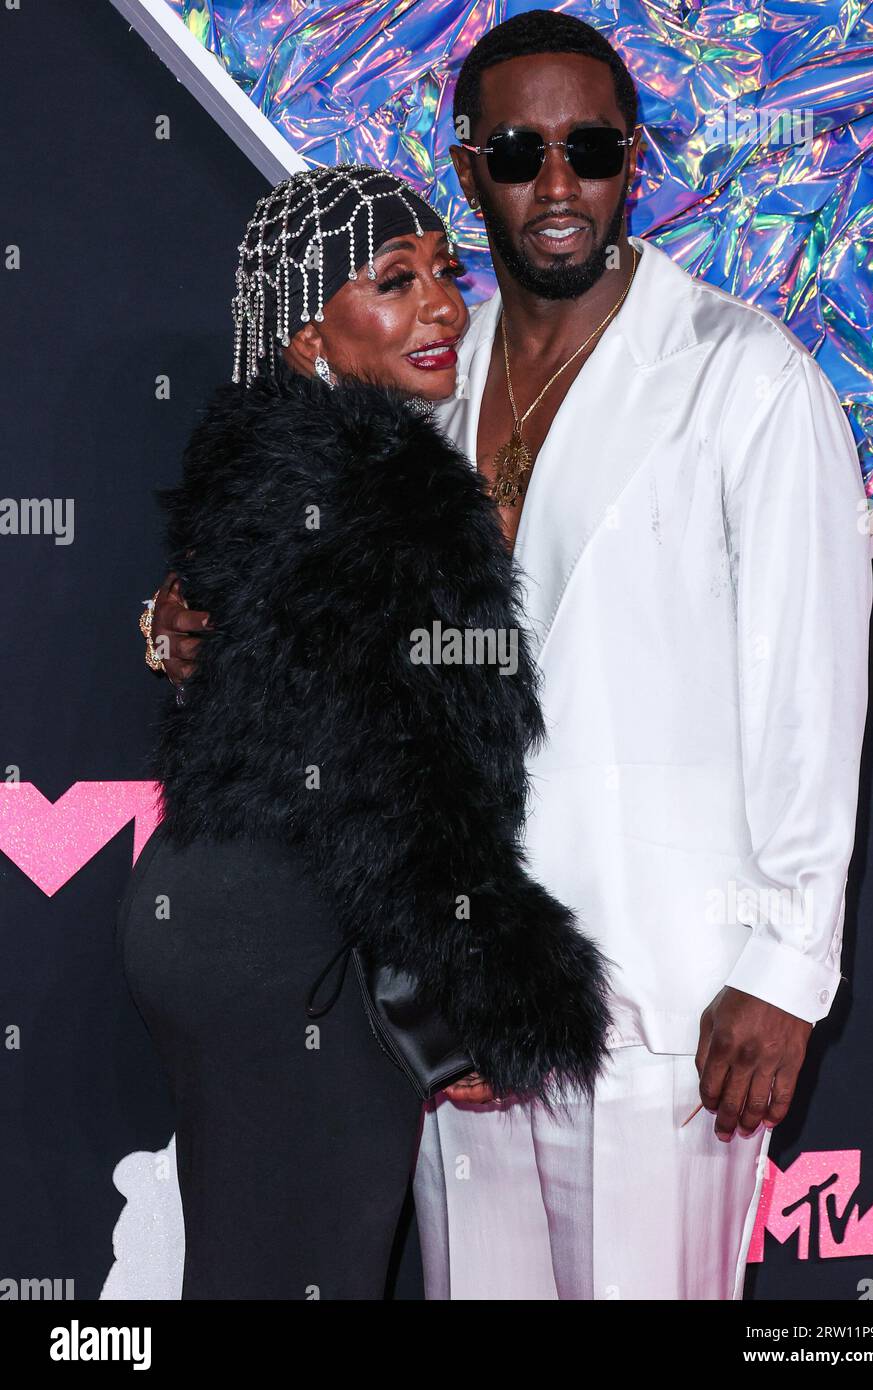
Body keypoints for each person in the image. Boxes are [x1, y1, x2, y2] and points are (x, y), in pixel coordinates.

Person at [150, 12, 873, 1301]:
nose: (557, 185)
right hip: (449, 1000)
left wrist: (785, 969)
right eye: (519, 150)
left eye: (589, 148)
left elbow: (809, 696)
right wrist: (171, 617)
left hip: (668, 999)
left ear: (632, 162)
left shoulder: (746, 381)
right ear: (469, 160)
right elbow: (309, 579)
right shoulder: (432, 369)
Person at [118, 162, 613, 1301]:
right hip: (299, 953)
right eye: (394, 283)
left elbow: (264, 683)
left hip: (202, 919)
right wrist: (473, 1001)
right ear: (307, 339)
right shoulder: (402, 490)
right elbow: (399, 788)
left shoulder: (262, 455)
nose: (442, 305)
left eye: (446, 271)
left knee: (251, 1268)